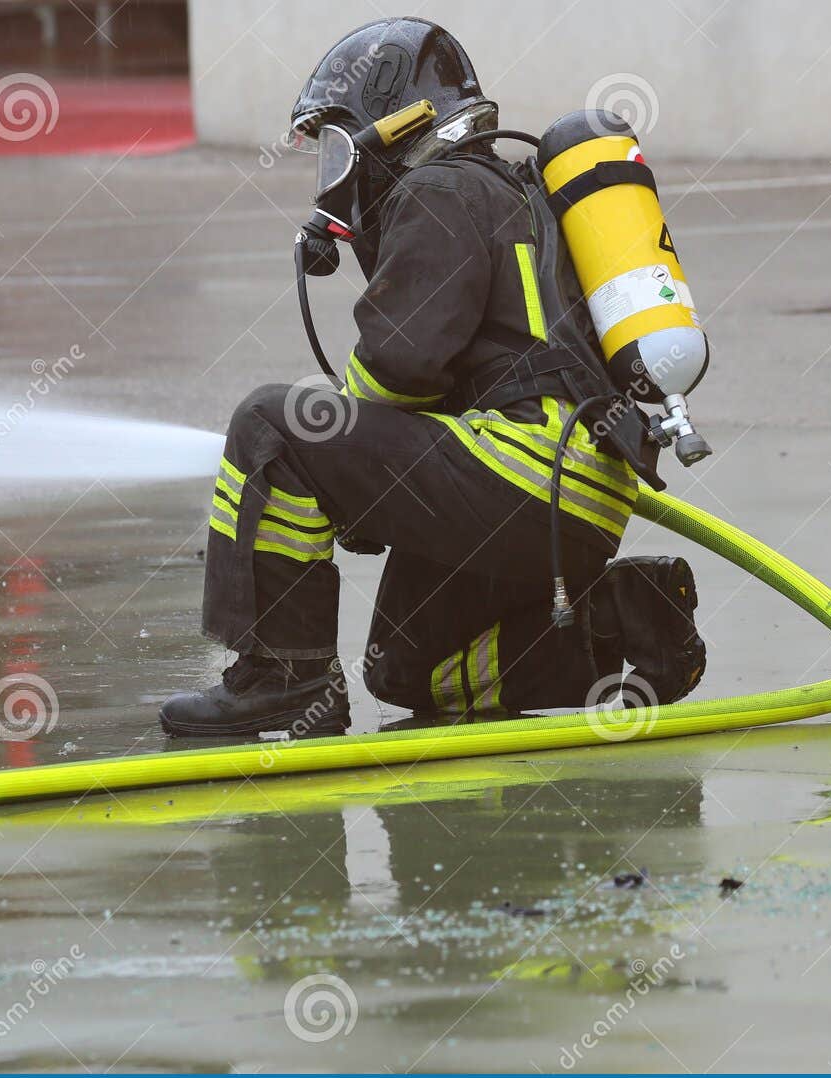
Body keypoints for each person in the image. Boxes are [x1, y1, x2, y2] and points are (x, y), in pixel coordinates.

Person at [160, 17, 706, 738]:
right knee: (409, 670)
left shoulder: (441, 187)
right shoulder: (508, 192)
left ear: (393, 124)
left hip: (523, 473)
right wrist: (366, 471)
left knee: (275, 427)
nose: (335, 174)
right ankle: (634, 624)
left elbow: (401, 362)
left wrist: (346, 466)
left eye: (336, 144)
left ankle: (282, 678)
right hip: (574, 502)